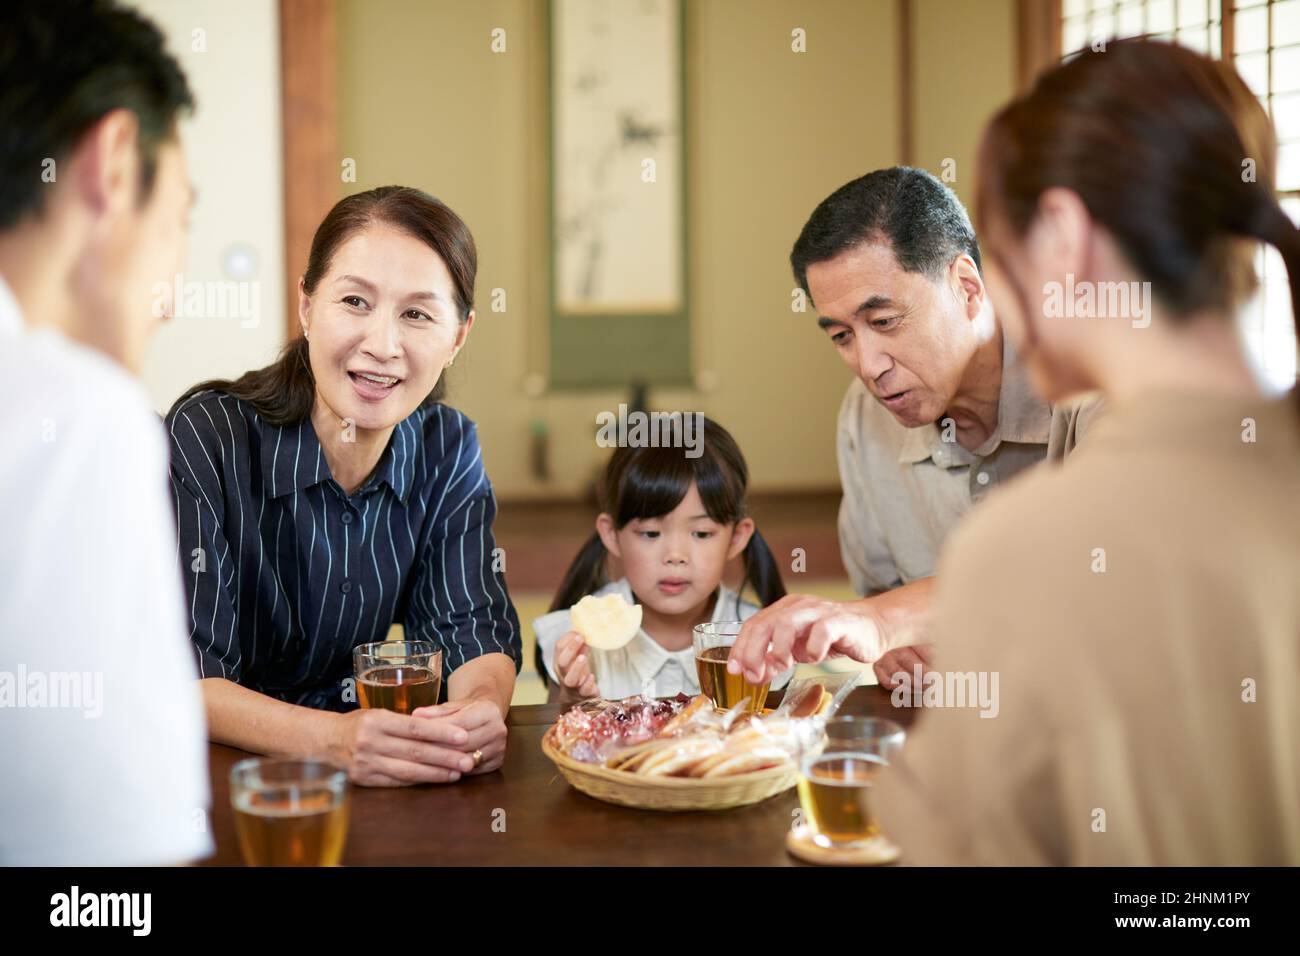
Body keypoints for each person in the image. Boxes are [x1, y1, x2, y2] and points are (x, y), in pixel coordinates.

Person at [784, 39, 1299, 864]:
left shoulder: (1034, 542)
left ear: (1059, 237)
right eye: (842, 335)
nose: (867, 360)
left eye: (1005, 247)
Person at [166, 186, 521, 788]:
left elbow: (472, 628)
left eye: (417, 313)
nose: (382, 345)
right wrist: (334, 739)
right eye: (355, 301)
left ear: (458, 336)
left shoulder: (447, 447)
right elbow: (186, 678)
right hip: (218, 783)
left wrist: (479, 711)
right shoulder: (209, 436)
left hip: (370, 777)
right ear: (306, 307)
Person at [729, 168, 1099, 690]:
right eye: (841, 335)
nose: (868, 364)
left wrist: (884, 621)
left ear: (967, 288)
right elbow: (882, 594)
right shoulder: (865, 416)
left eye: (883, 322)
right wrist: (890, 646)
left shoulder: (1094, 376)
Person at [0, 0, 210, 864]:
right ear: (114, 163)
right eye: (180, 221)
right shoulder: (74, 417)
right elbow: (113, 874)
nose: (170, 288)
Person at [534, 417, 793, 704]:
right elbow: (552, 735)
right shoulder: (581, 638)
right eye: (651, 533)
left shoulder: (762, 639)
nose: (675, 556)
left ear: (735, 538)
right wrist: (573, 699)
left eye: (701, 533)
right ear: (611, 535)